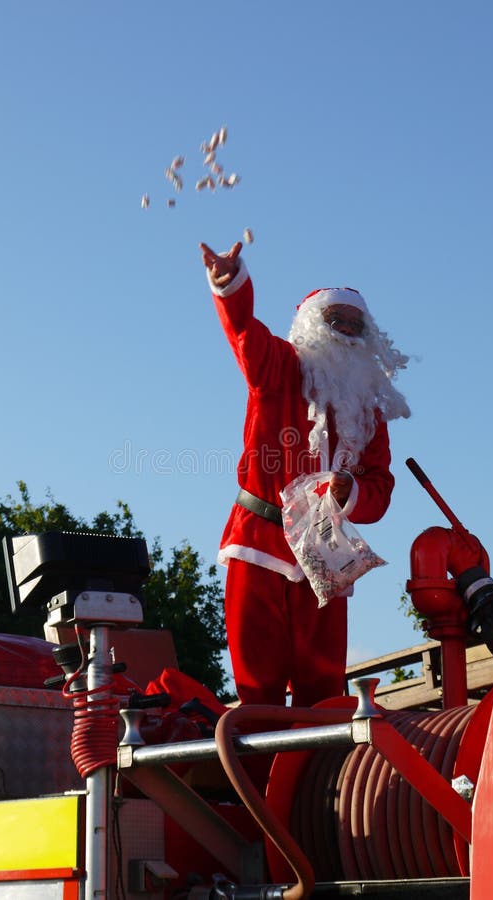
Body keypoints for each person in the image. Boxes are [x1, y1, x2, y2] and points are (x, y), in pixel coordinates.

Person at [200, 240, 410, 707]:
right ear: (312, 326)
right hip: (259, 543)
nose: (348, 333)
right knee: (259, 688)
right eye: (337, 321)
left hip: (324, 549)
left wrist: (351, 490)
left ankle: (318, 780)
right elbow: (245, 339)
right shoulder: (277, 368)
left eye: (357, 325)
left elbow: (380, 487)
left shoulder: (368, 412)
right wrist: (231, 286)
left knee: (323, 690)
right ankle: (255, 780)